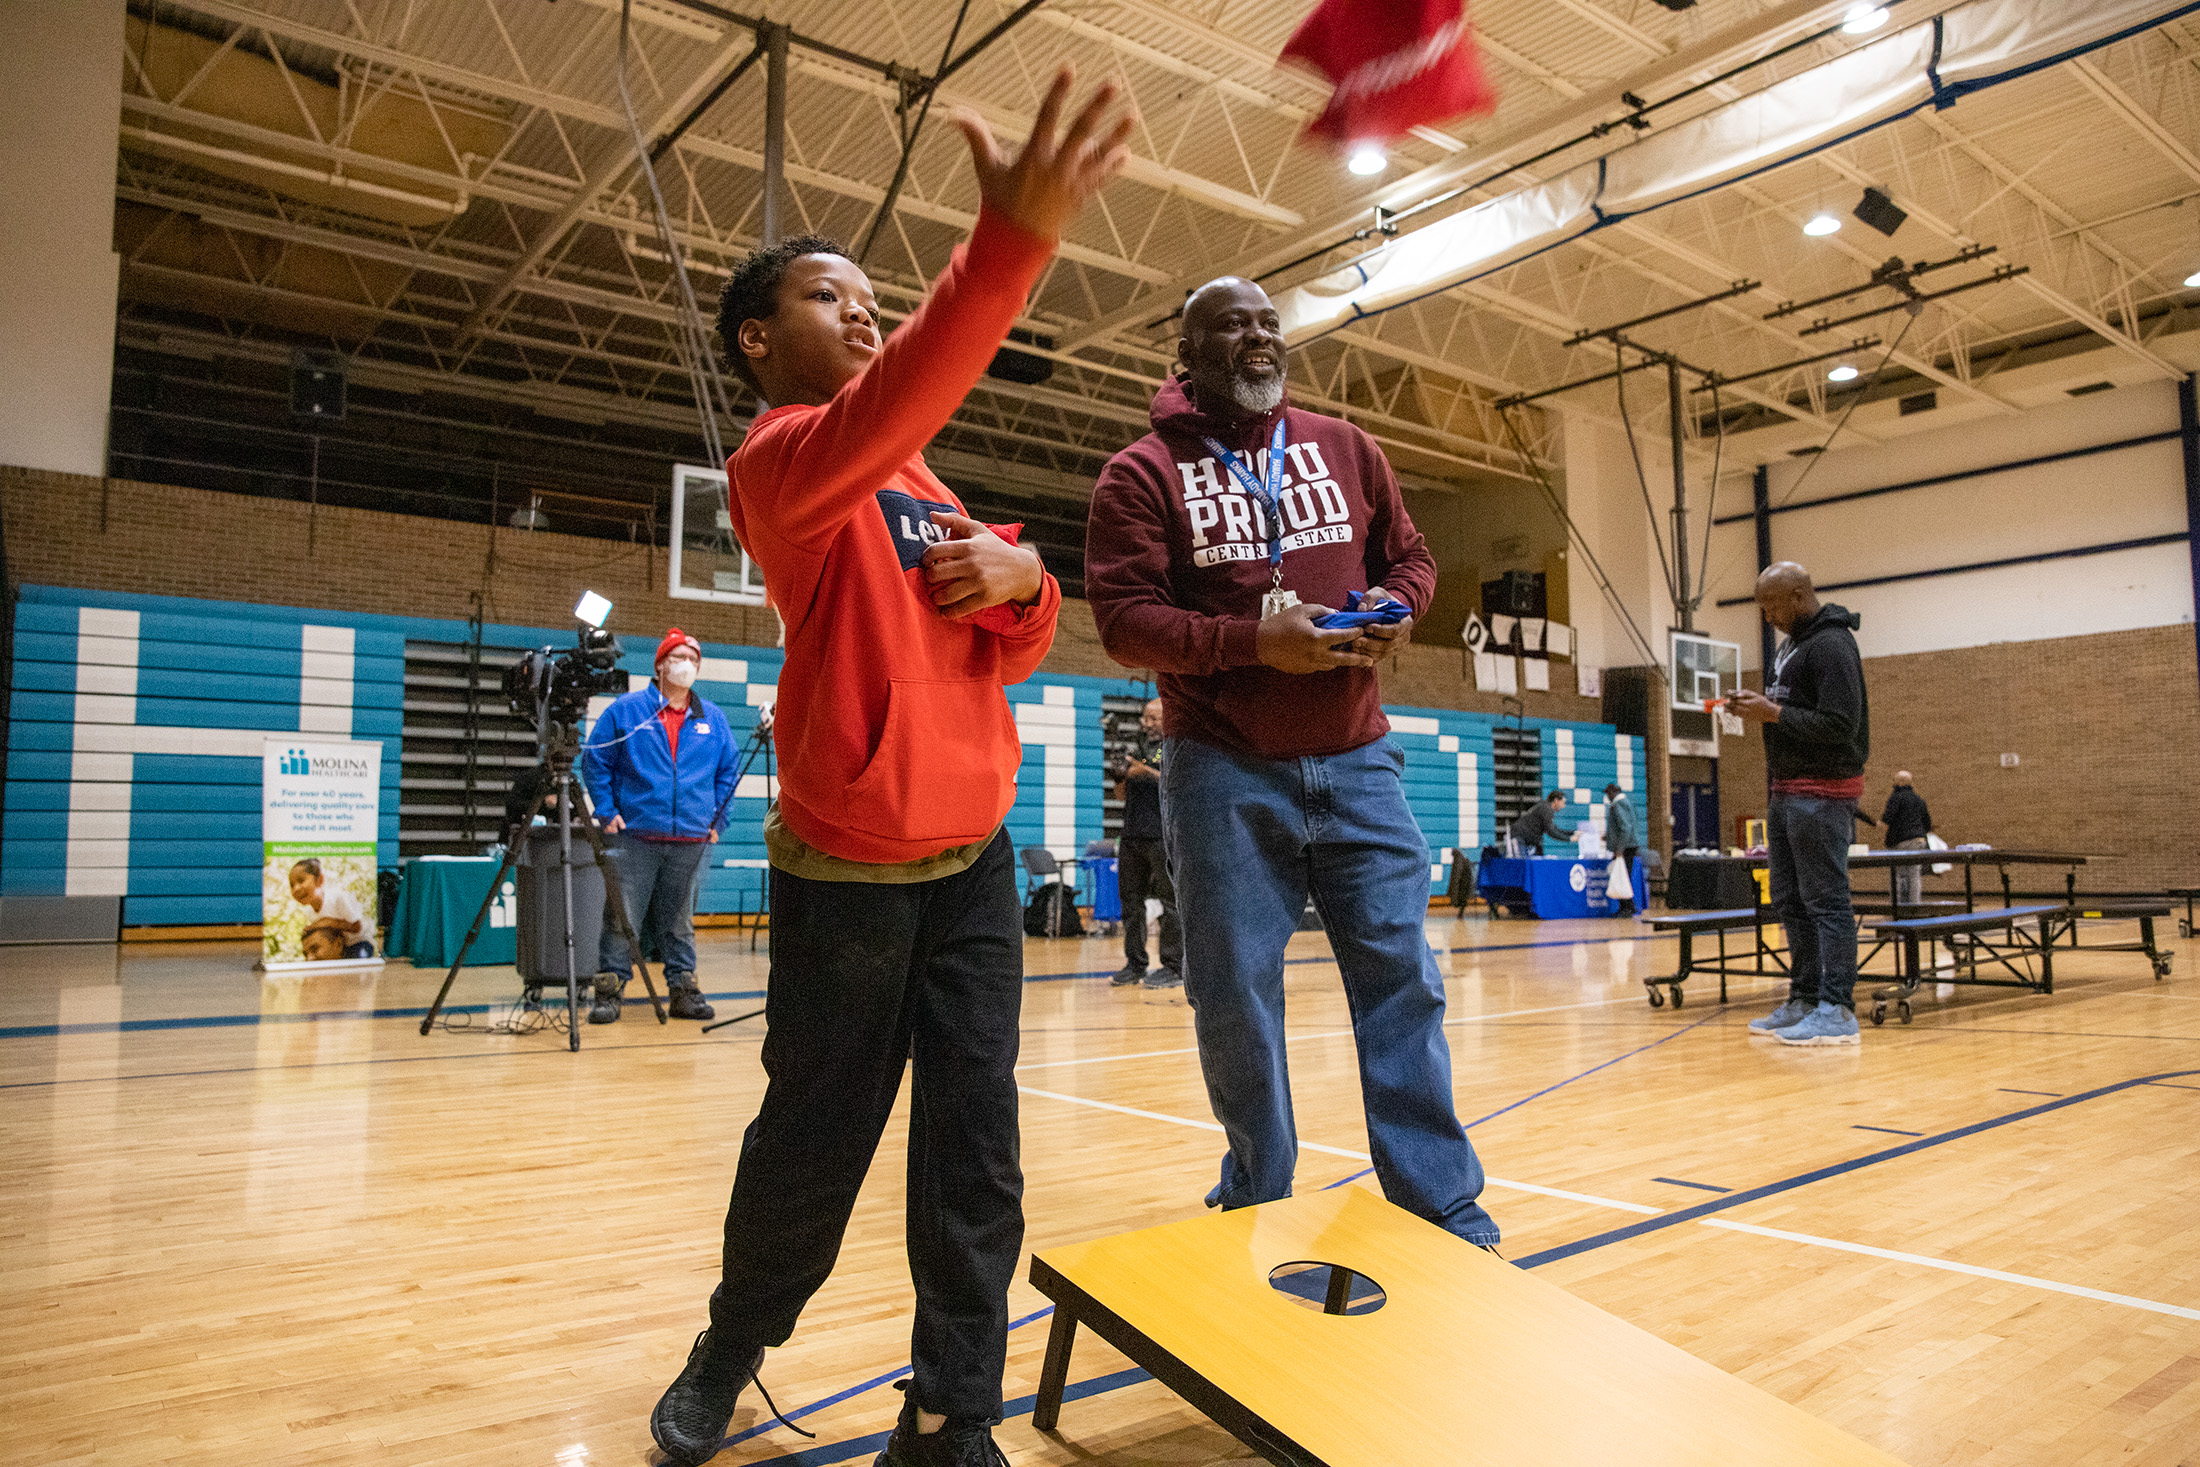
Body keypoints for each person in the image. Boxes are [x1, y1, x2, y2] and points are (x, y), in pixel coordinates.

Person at [645, 72, 1131, 1467]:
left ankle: (950, 1412)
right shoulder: (785, 464)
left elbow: (1017, 645)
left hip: (971, 858)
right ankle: (733, 1344)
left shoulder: (923, 477)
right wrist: (1007, 248)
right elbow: (912, 379)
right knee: (814, 1136)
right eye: (826, 295)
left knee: (975, 1151)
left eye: (873, 293)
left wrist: (1029, 573)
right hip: (848, 864)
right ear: (758, 340)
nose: (860, 307)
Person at [1084, 273, 1501, 1252]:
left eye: (1267, 324)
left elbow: (1412, 557)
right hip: (1222, 766)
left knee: (1402, 977)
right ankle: (1259, 1189)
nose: (1257, 340)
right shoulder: (1139, 474)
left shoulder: (1346, 447)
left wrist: (1397, 606)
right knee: (1232, 988)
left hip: (1358, 757)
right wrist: (1249, 642)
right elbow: (1124, 623)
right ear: (1185, 355)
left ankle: (1437, 1199)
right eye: (1230, 327)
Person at [1728, 561, 1870, 1046]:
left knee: (1826, 901)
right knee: (1789, 899)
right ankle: (1805, 997)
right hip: (1786, 790)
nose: (1766, 617)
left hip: (1822, 793)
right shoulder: (1790, 646)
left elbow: (1840, 724)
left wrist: (1774, 713)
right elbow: (1789, 711)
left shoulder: (1832, 645)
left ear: (1796, 595)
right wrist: (1761, 707)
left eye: (1770, 606)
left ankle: (1839, 1008)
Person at [579, 628, 736, 1024]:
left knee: (678, 921)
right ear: (661, 664)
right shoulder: (626, 711)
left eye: (693, 660)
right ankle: (609, 992)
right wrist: (605, 809)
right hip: (634, 836)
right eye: (679, 658)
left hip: (692, 839)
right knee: (620, 919)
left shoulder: (712, 719)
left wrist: (719, 818)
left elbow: (728, 773)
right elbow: (596, 762)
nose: (687, 666)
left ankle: (683, 991)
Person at [1111, 697, 1182, 989]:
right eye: (1145, 718)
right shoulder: (1136, 748)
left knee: (1170, 903)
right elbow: (1120, 796)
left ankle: (1174, 966)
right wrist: (1120, 776)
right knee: (1131, 902)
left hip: (1163, 836)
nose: (1147, 723)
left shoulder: (1175, 746)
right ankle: (1135, 963)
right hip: (1132, 835)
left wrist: (1144, 772)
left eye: (1154, 718)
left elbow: (1175, 784)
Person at [1882, 770, 1933, 907]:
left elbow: (1887, 818)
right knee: (1914, 874)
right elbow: (1927, 823)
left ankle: (1897, 906)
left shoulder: (1896, 798)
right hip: (1919, 840)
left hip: (1901, 841)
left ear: (1900, 782)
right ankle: (1915, 905)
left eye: (1895, 780)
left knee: (1898, 874)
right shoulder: (1919, 800)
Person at [1604, 781, 1640, 918]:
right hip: (1630, 845)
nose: (1607, 797)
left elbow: (1625, 827)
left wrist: (1619, 849)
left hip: (1625, 847)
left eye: (1608, 794)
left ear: (1613, 793)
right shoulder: (1627, 803)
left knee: (1622, 877)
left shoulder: (1618, 805)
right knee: (1624, 876)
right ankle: (1629, 906)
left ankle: (1627, 908)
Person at [1509, 791, 1575, 856]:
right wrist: (1569, 838)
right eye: (1563, 803)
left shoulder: (1546, 807)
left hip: (1528, 840)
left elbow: (1554, 829)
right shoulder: (1546, 809)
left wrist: (1572, 833)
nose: (1563, 806)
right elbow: (1551, 831)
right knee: (1521, 862)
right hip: (1519, 836)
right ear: (1556, 801)